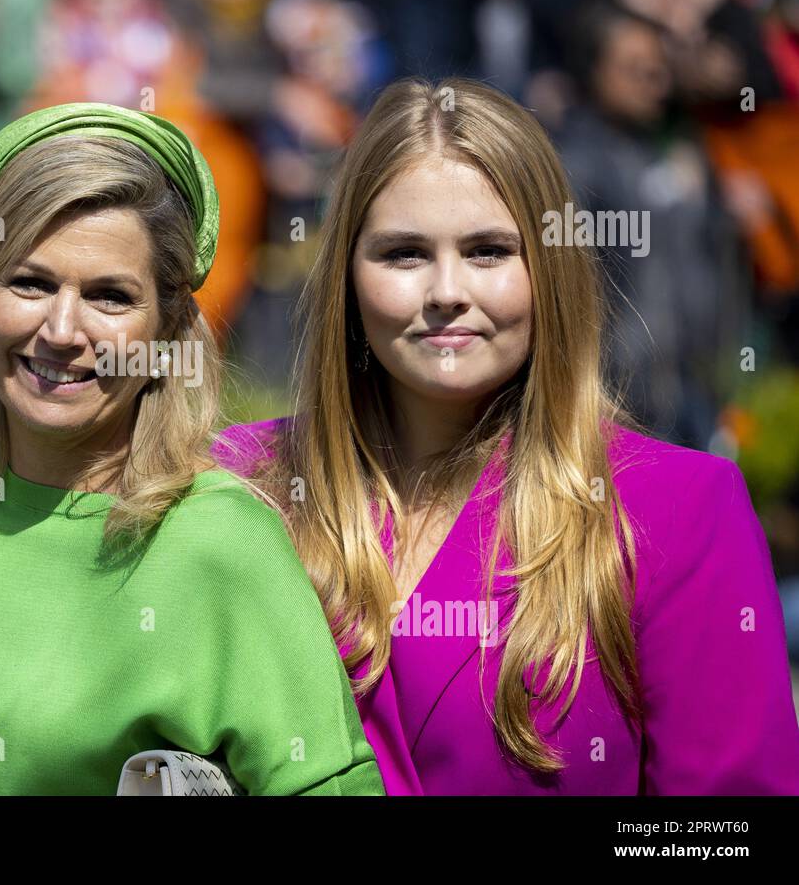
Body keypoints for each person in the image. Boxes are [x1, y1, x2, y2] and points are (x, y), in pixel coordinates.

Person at [215, 77, 799, 794]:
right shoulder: (244, 484)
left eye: (490, 250)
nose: (447, 291)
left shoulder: (679, 508)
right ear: (346, 276)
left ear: (548, 271)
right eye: (403, 253)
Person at [0, 102, 383, 795]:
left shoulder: (218, 538)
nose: (62, 329)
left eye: (110, 297)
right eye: (30, 283)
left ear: (168, 332)